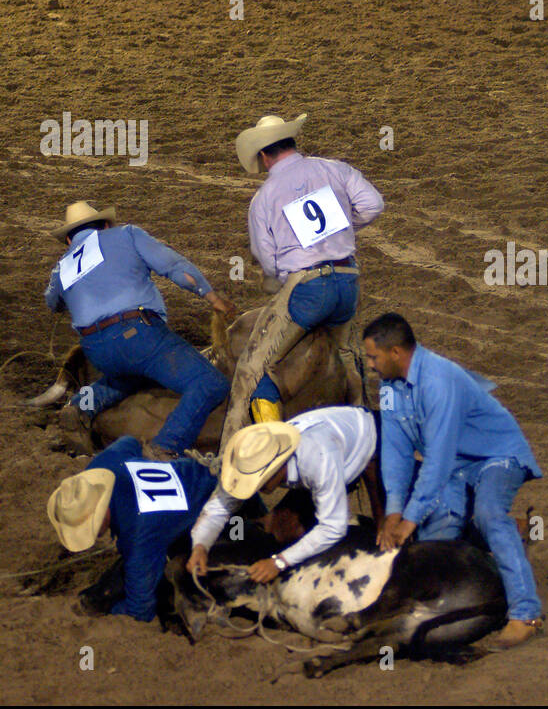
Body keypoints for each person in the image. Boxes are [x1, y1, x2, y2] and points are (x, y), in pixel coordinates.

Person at [362, 313, 544, 649]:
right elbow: (396, 452)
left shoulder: (438, 380)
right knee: (436, 542)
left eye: (374, 357)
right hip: (454, 464)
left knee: (489, 513)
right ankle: (505, 537)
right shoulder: (388, 387)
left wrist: (409, 519)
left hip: (496, 456)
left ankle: (526, 614)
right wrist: (393, 513)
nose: (370, 365)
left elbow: (438, 459)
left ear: (396, 353)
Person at [220, 114, 385, 449]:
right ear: (292, 143)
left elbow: (267, 258)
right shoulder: (333, 169)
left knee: (251, 370)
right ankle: (366, 437)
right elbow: (373, 204)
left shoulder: (264, 198)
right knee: (349, 360)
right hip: (348, 281)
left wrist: (280, 274)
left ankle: (239, 455)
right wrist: (342, 228)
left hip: (307, 289)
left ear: (264, 156)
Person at [43, 201, 237, 461]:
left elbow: (52, 302)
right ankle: (165, 447)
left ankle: (80, 406)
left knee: (131, 374)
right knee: (209, 383)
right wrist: (212, 297)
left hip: (96, 349)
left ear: (69, 240)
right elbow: (174, 267)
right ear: (105, 225)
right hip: (138, 335)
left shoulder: (62, 267)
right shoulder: (126, 234)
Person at [187, 405, 378, 584]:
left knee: (386, 534)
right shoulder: (250, 457)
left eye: (259, 481)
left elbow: (333, 526)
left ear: (278, 467)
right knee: (281, 530)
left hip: (372, 439)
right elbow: (219, 507)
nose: (255, 489)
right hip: (333, 452)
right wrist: (200, 546)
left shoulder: (318, 457)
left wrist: (279, 563)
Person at [47, 435, 220, 622]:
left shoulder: (138, 536)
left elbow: (140, 610)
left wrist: (114, 612)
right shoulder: (103, 466)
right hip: (204, 475)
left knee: (153, 576)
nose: (94, 535)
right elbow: (130, 442)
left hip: (221, 512)